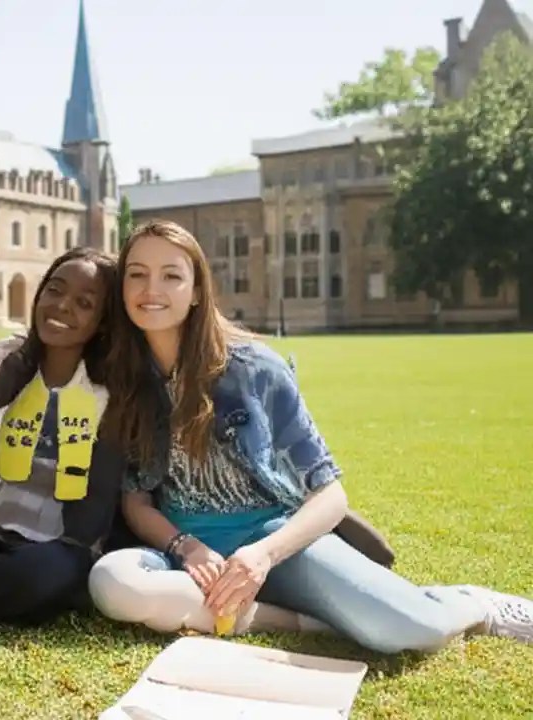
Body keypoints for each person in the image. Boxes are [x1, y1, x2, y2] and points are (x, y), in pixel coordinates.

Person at [86, 219, 533, 653]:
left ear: (197, 290)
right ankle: (307, 623)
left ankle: (472, 603)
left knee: (411, 630)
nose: (151, 291)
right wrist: (187, 547)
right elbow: (137, 502)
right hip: (189, 560)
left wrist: (260, 557)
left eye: (171, 276)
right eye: (137, 274)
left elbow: (331, 496)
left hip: (276, 542)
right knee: (113, 583)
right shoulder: (128, 381)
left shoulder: (256, 369)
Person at [0, 248, 127, 625]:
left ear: (104, 322)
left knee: (52, 572)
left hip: (56, 549)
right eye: (54, 290)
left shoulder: (112, 393)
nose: (62, 306)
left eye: (84, 303)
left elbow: (97, 516)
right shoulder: (22, 356)